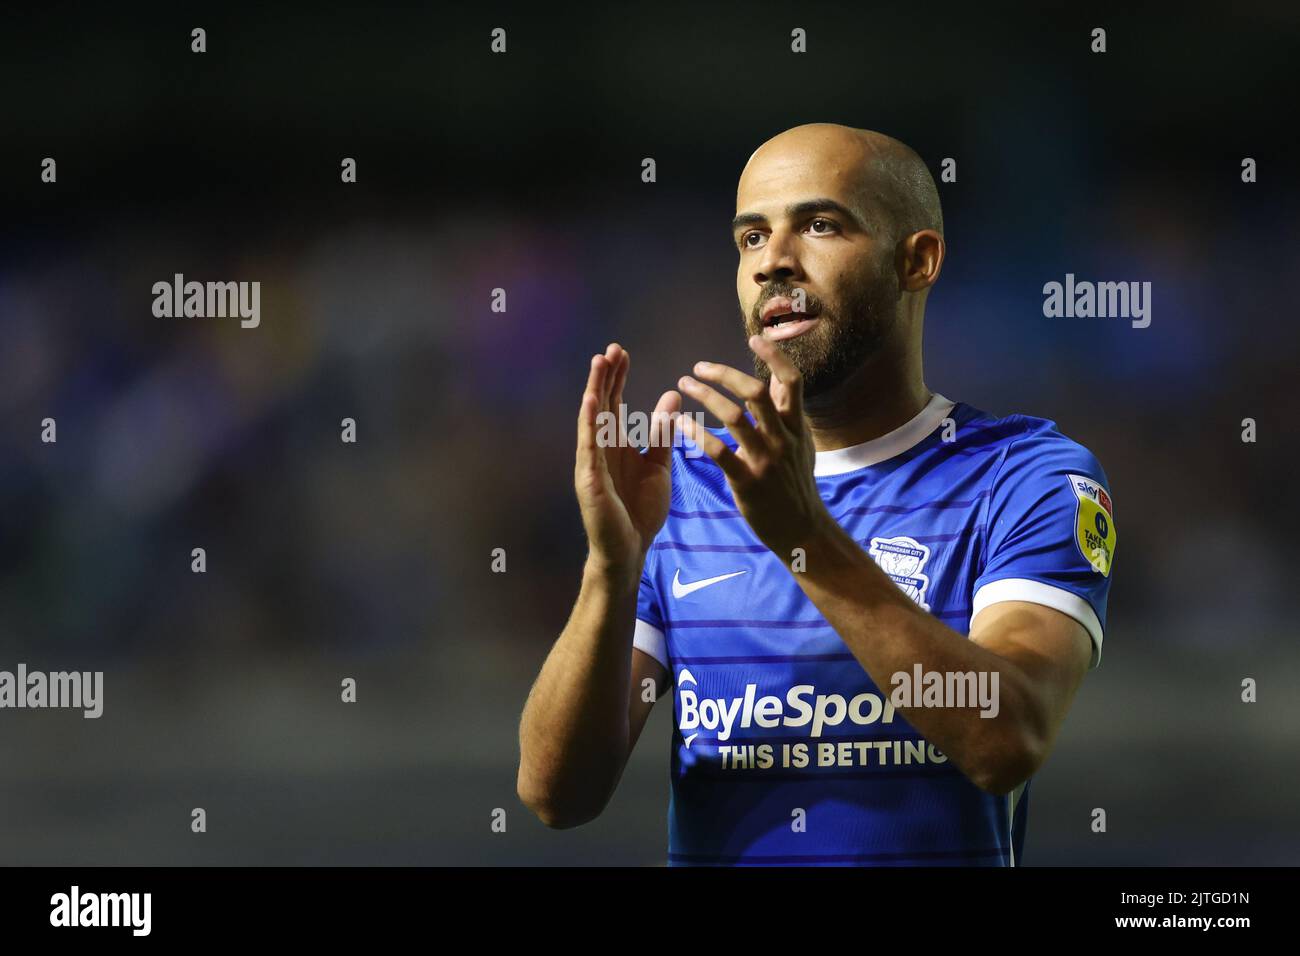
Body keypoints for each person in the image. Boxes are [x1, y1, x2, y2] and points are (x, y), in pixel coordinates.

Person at [517, 123, 1117, 866]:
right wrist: (611, 567)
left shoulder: (1025, 476)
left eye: (820, 225)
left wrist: (806, 538)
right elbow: (557, 796)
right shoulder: (687, 488)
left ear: (917, 260)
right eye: (750, 238)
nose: (773, 261)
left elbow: (1007, 739)